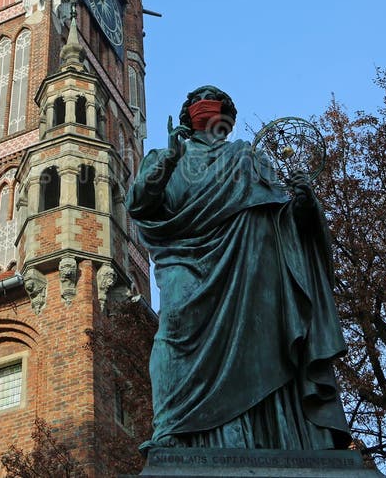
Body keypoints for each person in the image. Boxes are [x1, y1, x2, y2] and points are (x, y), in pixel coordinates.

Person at [127, 85, 351, 452]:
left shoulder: (248, 157)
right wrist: (169, 158)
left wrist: (304, 204)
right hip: (185, 258)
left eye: (214, 101)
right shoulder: (165, 155)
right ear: (189, 116)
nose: (206, 104)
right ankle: (171, 428)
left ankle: (268, 436)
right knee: (174, 331)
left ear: (227, 121)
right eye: (200, 101)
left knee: (260, 345)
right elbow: (139, 204)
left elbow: (281, 219)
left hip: (250, 264)